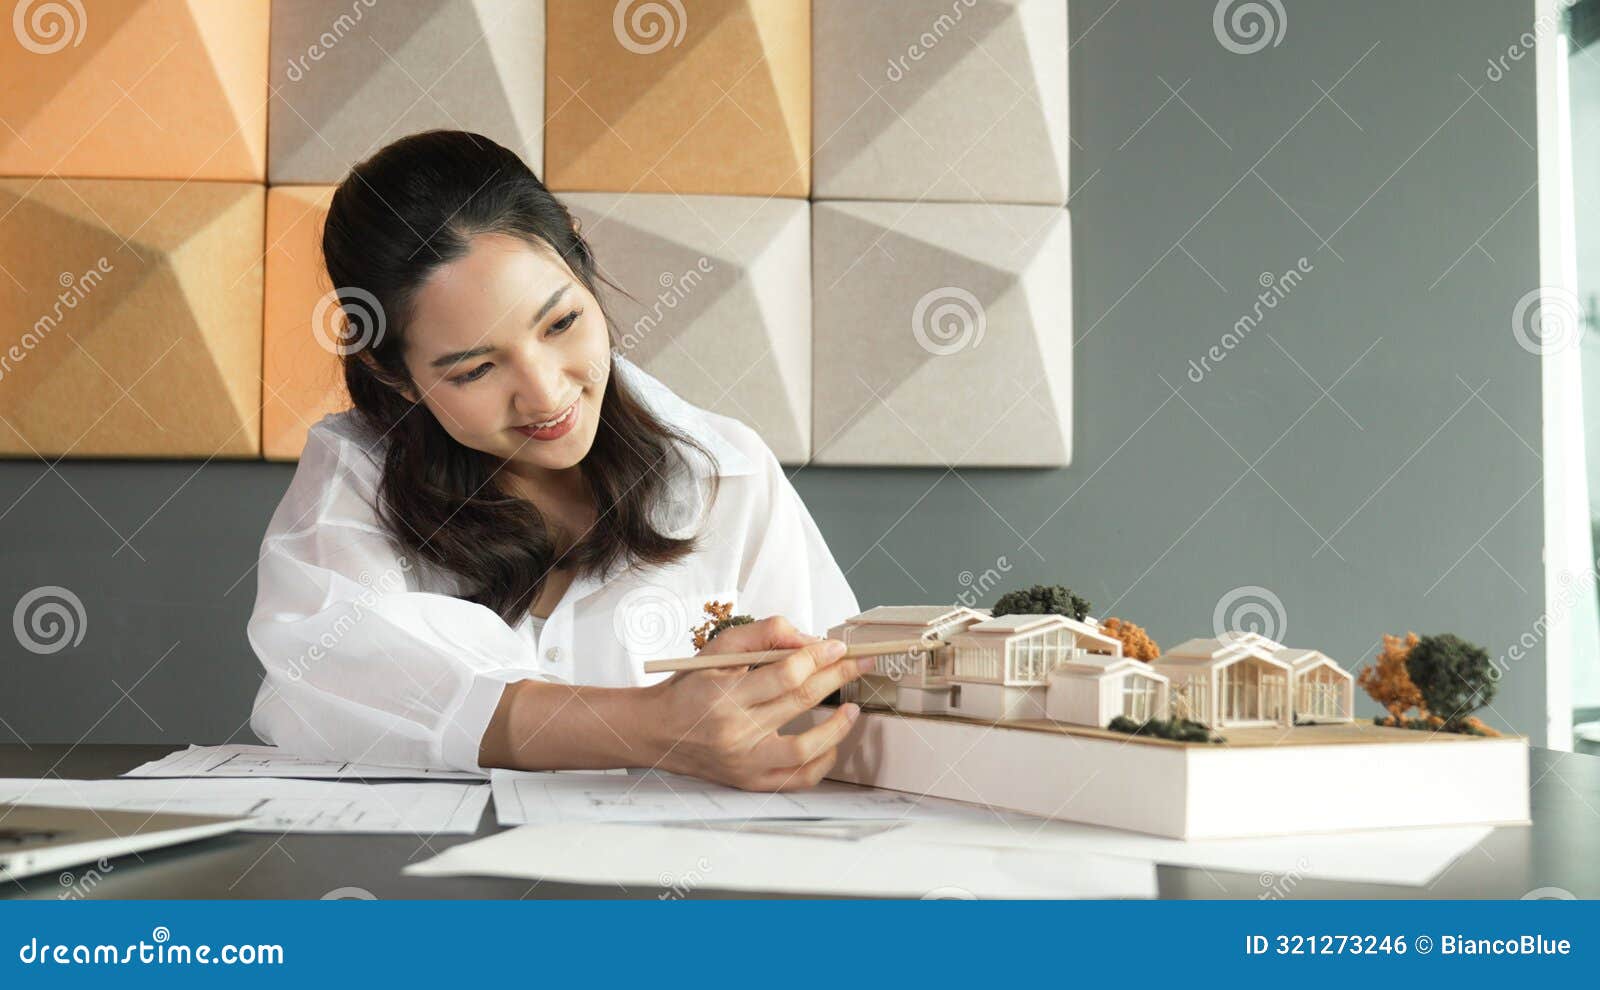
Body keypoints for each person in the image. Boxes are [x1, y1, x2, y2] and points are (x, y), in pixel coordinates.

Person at [246, 130, 866, 790]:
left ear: (579, 254)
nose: (545, 395)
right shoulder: (356, 477)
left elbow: (835, 714)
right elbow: (334, 677)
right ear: (393, 374)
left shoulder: (724, 473)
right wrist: (655, 726)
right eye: (476, 369)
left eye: (561, 324)